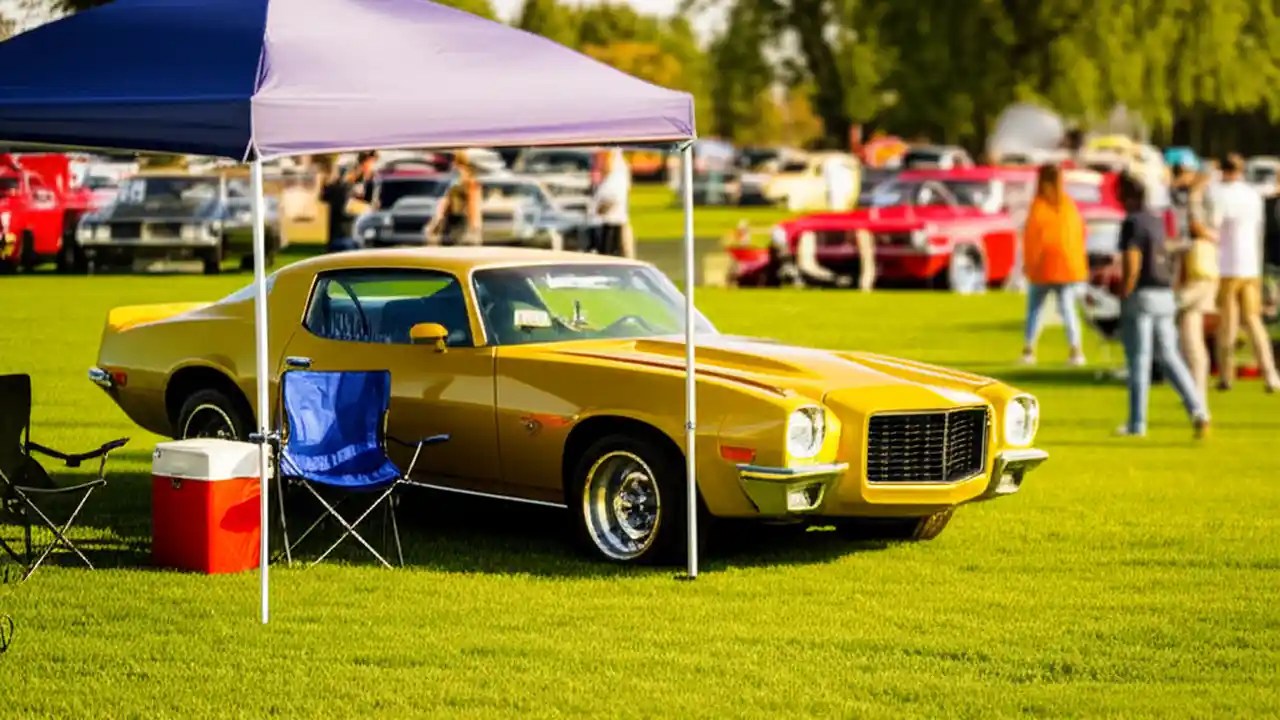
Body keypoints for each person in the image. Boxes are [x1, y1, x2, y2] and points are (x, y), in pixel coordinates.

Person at [1114, 171, 1210, 437]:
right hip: (1164, 295)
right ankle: (1198, 411)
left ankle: (1137, 424)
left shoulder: (1131, 222)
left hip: (1142, 295)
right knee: (1170, 357)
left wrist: (1125, 290)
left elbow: (1132, 261)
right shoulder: (1155, 220)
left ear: (1127, 195)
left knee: (1140, 360)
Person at [1212, 155, 1280, 391]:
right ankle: (1271, 375)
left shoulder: (1220, 193)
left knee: (1228, 322)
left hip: (1227, 265)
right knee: (1254, 321)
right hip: (1250, 265)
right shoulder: (1253, 195)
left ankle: (1226, 375)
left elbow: (1214, 225)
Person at [1020, 164, 1088, 366]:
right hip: (1067, 267)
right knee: (1067, 309)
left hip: (1044, 266)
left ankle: (1029, 350)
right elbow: (1080, 234)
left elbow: (1033, 238)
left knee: (1035, 309)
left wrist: (1029, 264)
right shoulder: (1068, 205)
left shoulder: (1039, 205)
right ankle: (1075, 350)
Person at [1176, 169, 1220, 400]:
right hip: (1206, 269)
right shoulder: (1212, 199)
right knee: (1191, 337)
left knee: (1174, 312)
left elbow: (1195, 227)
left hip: (1199, 271)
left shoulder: (1197, 199)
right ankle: (1197, 392)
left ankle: (1194, 390)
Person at [425, 151, 482, 246]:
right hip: (459, 218)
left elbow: (471, 203)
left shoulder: (462, 178)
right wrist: (476, 225)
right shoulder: (470, 179)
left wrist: (437, 219)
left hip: (457, 219)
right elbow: (473, 203)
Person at [316, 154, 362, 253]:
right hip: (343, 234)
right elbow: (343, 211)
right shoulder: (345, 189)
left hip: (334, 235)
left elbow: (322, 196)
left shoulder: (336, 187)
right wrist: (358, 215)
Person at [591, 148, 631, 256]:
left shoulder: (608, 151)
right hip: (615, 192)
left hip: (610, 191)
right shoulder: (620, 162)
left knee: (607, 226)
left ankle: (607, 254)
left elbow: (607, 165)